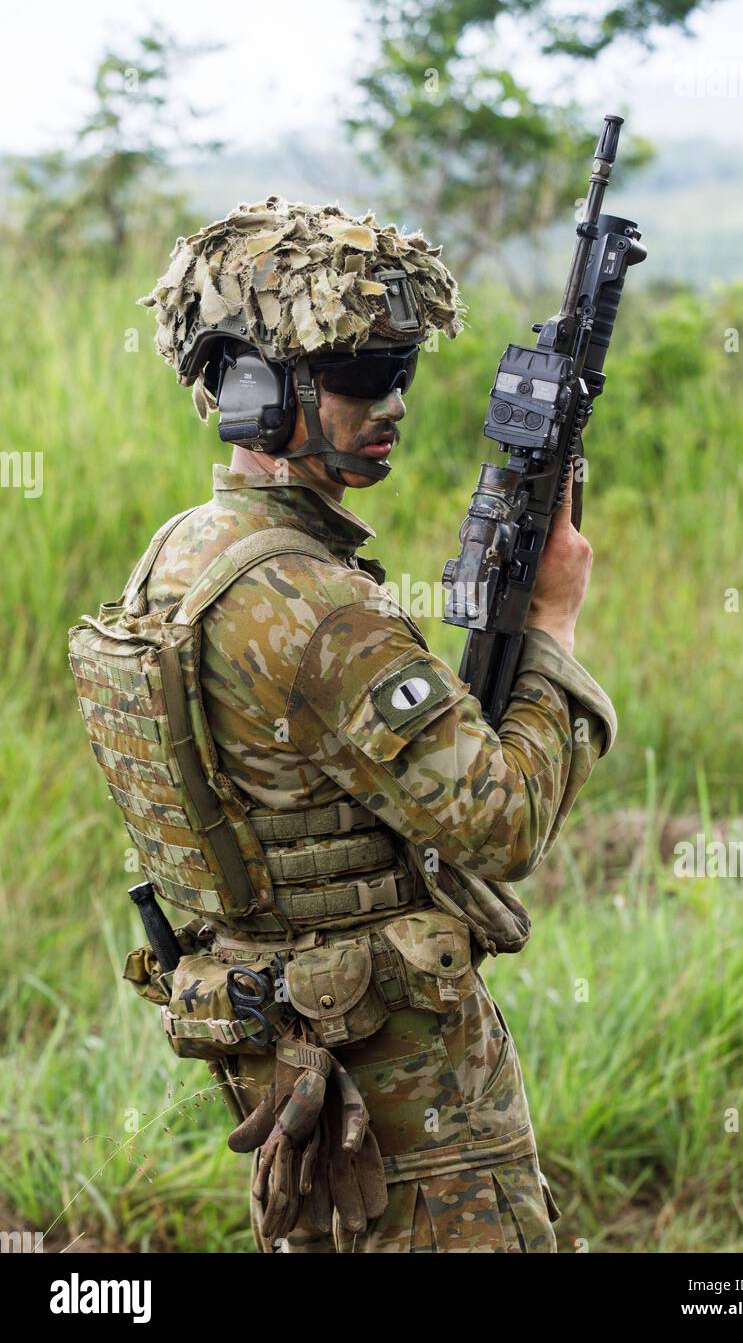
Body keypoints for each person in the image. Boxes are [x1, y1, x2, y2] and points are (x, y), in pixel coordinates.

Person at [113, 198, 616, 1252]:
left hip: (297, 1066)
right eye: (353, 374)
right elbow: (502, 822)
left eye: (401, 368)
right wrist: (554, 624)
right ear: (251, 388)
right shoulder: (316, 606)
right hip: (404, 1101)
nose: (389, 400)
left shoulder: (180, 553)